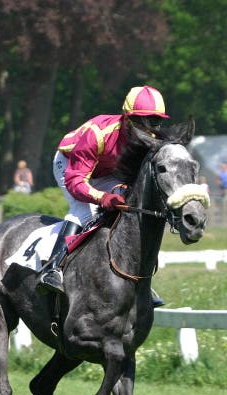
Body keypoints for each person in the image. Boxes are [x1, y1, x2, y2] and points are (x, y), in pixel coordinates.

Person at [37, 85, 169, 306]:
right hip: (70, 166)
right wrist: (102, 198)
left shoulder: (151, 141)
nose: (148, 130)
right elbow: (75, 181)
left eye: (154, 122)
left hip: (107, 172)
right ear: (126, 118)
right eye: (140, 122)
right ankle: (53, 269)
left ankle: (139, 281)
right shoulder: (98, 134)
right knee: (84, 211)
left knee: (128, 214)